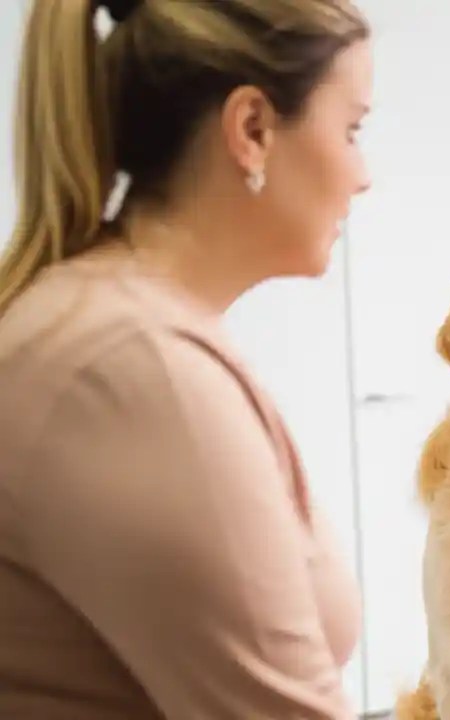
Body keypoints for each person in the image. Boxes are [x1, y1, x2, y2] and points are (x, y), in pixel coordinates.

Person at [0, 0, 371, 717]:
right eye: (353, 129)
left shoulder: (119, 326)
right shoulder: (132, 369)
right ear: (253, 130)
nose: (363, 175)